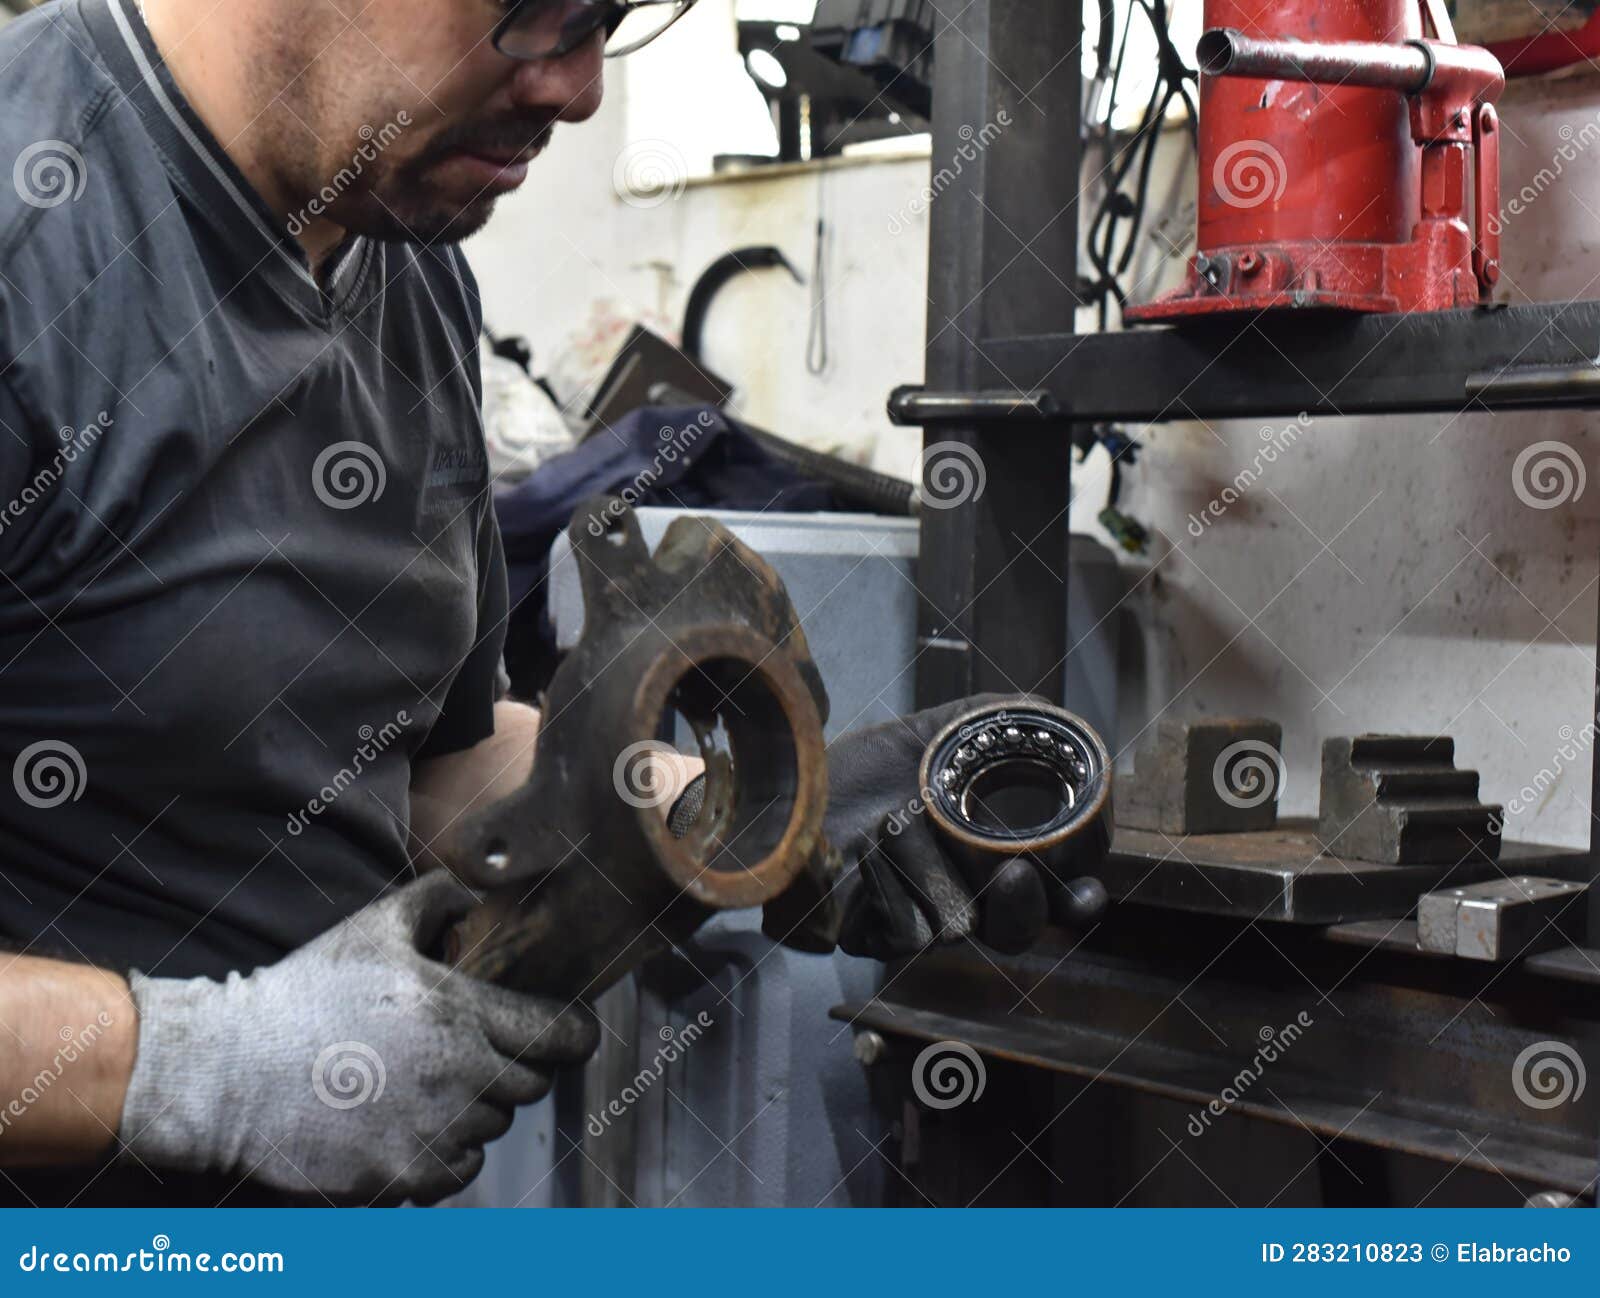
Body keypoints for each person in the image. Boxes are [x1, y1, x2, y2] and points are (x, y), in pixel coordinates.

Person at [0, 0, 1049, 1206]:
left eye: (610, 22)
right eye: (536, 14)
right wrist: (208, 1068)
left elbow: (430, 764)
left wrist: (742, 816)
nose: (580, 90)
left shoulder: (409, 269)